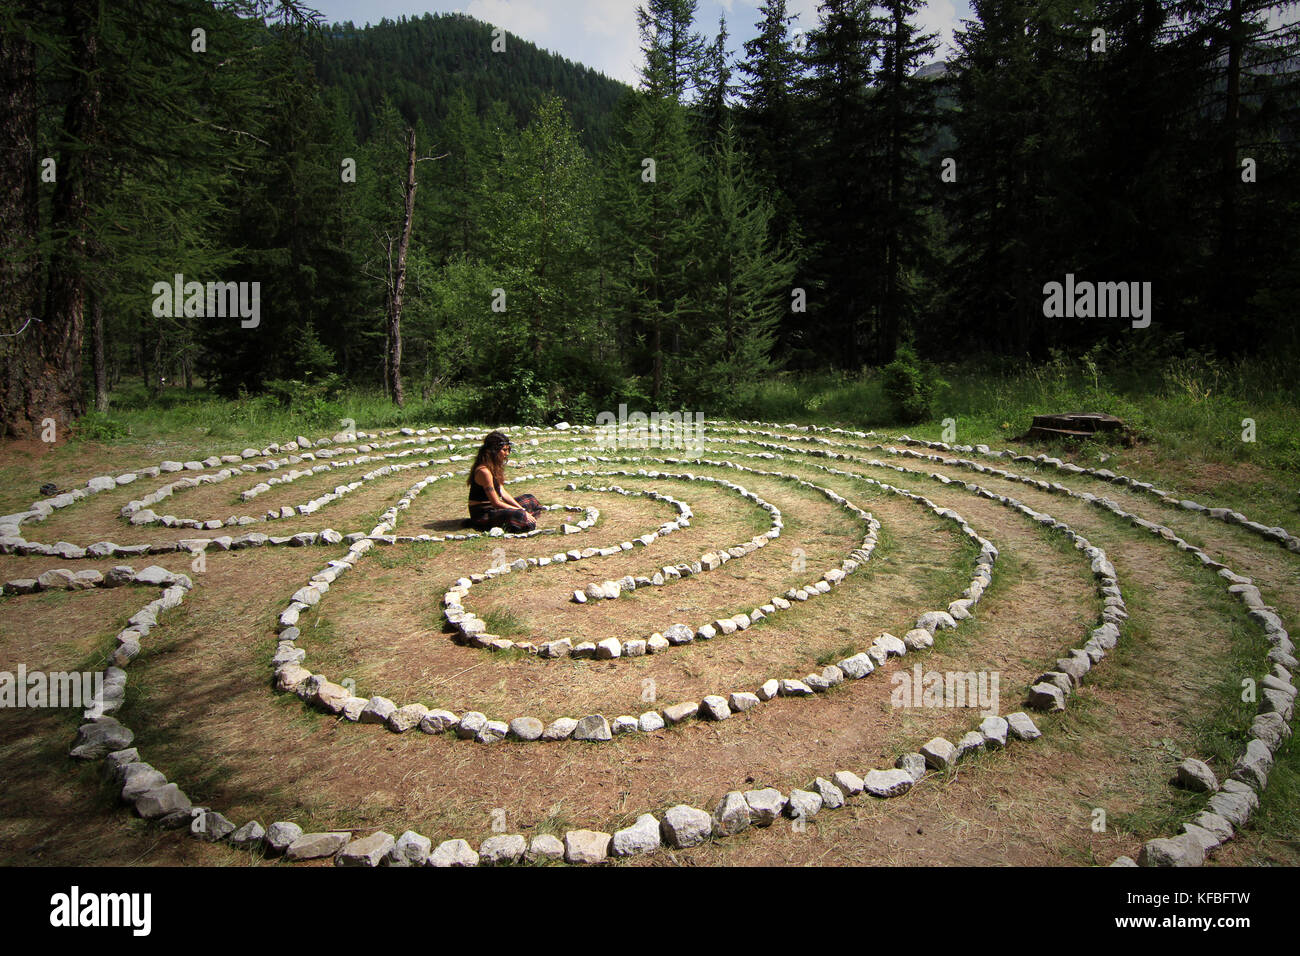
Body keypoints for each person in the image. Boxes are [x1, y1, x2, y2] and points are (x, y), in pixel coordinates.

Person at [466, 431, 543, 532]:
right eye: (504, 450)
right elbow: (496, 502)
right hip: (483, 513)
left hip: (495, 509)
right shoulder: (483, 471)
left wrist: (521, 508)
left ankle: (523, 519)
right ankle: (522, 520)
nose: (507, 454)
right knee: (519, 515)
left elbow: (502, 492)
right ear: (494, 451)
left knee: (530, 499)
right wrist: (520, 512)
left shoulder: (495, 467)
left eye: (508, 450)